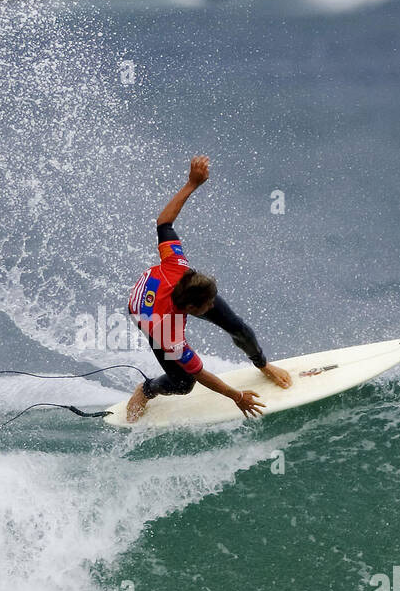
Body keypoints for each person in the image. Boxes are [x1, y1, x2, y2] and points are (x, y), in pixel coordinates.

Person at [125, 155, 291, 423]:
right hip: (148, 314)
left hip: (167, 293)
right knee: (183, 383)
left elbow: (163, 223)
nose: (212, 306)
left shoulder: (178, 265)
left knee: (238, 328)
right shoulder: (168, 332)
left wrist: (192, 183)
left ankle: (263, 365)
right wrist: (238, 397)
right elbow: (200, 374)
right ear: (191, 309)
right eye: (207, 305)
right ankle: (145, 390)